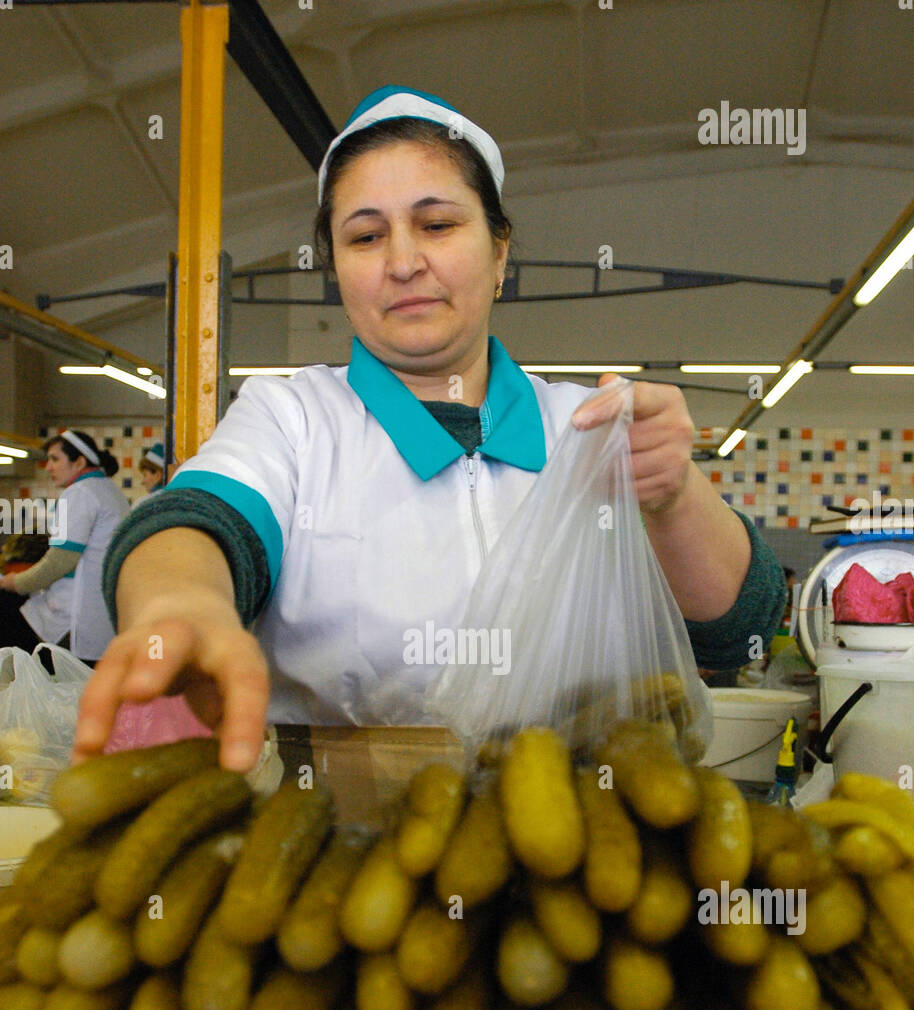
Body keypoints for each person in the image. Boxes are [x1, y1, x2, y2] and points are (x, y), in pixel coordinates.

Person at [74, 85, 786, 772]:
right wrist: (182, 605)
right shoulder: (293, 416)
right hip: (346, 849)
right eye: (365, 236)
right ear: (336, 269)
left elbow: (736, 635)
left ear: (501, 252)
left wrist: (674, 494)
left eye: (438, 224)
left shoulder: (591, 426)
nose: (404, 262)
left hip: (590, 844)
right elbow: (200, 521)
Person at [0, 429, 129, 665]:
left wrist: (14, 582)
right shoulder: (110, 491)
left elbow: (61, 560)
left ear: (79, 461)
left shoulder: (79, 493)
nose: (48, 467)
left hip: (75, 617)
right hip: (104, 615)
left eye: (55, 459)